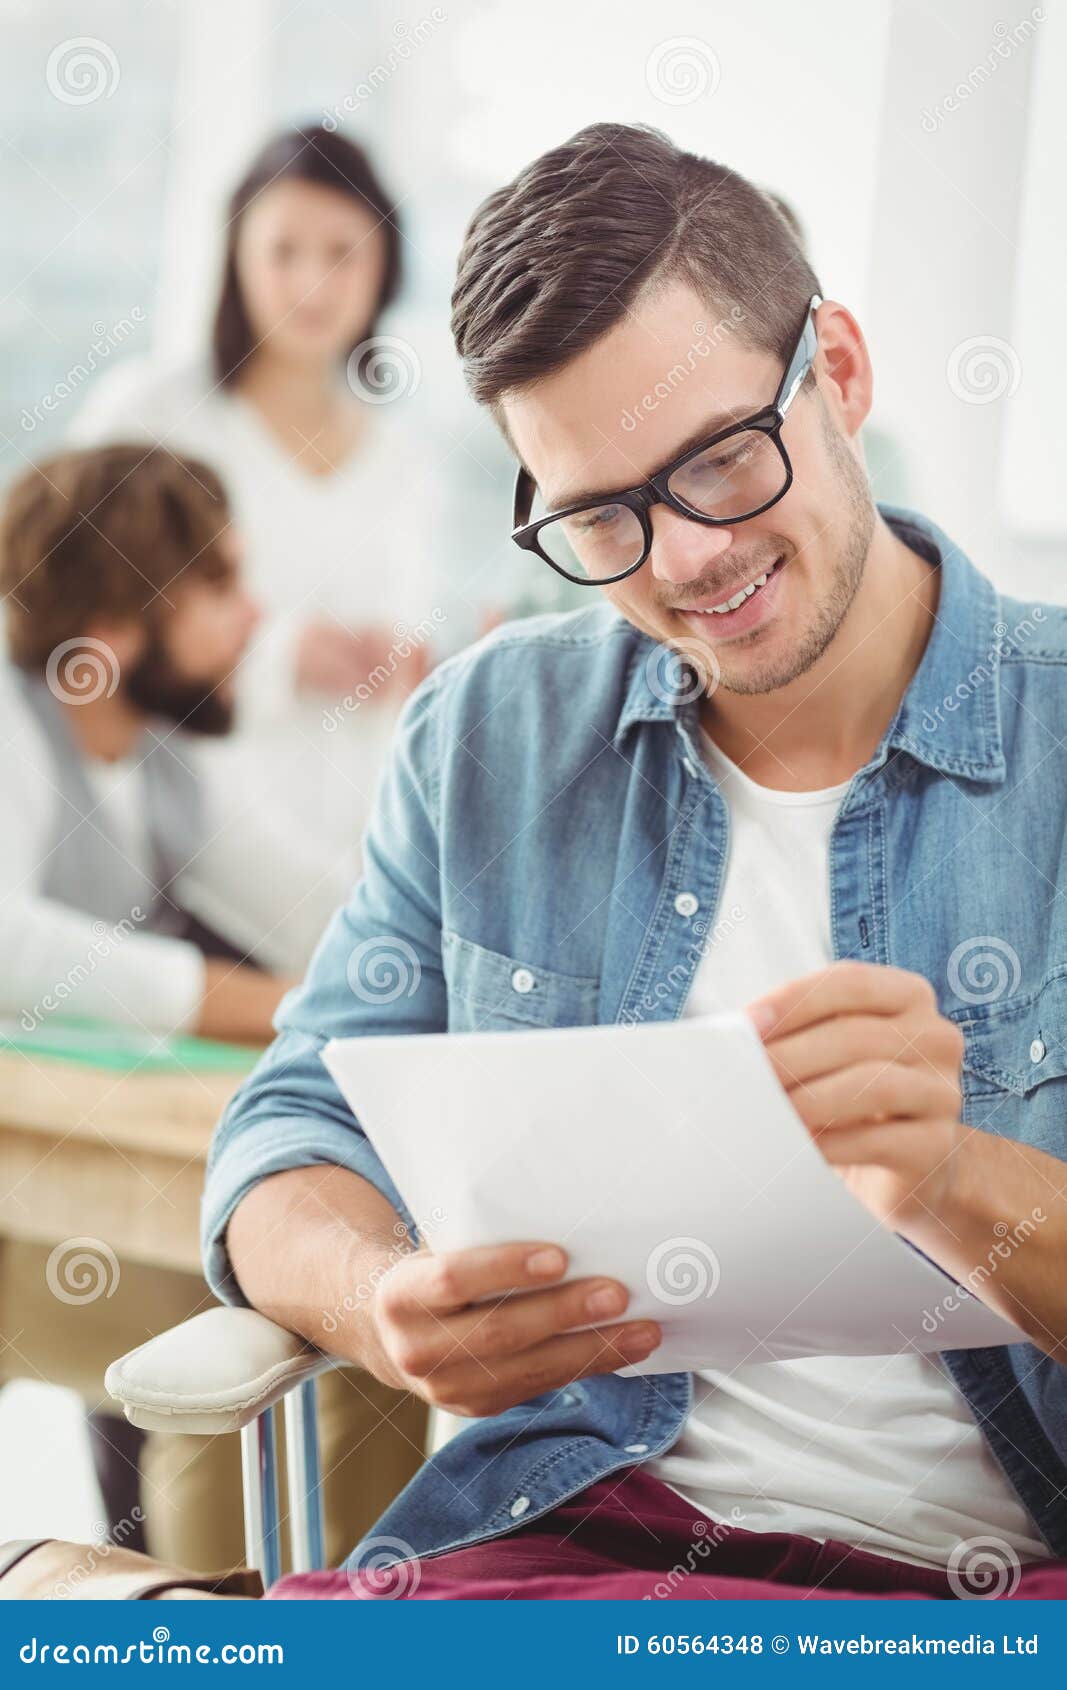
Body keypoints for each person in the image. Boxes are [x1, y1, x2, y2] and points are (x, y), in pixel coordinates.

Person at [201, 124, 1067, 1600]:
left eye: (720, 460)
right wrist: (375, 1297)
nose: (678, 563)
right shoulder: (489, 732)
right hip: (556, 1553)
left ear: (838, 373)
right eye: (599, 514)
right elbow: (291, 1127)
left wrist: (945, 1180)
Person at [0, 443, 425, 1570]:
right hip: (22, 1197)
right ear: (122, 626)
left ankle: (336, 1623)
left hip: (86, 1176)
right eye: (221, 587)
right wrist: (263, 1000)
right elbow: (9, 946)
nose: (254, 619)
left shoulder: (158, 759)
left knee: (346, 1333)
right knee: (238, 1327)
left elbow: (317, 905)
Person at [71, 126, 437, 858]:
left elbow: (408, 637)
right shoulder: (148, 414)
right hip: (173, 842)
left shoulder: (406, 459)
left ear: (384, 266)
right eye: (283, 251)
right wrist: (280, 658)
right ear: (237, 256)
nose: (312, 284)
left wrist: (409, 668)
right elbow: (73, 616)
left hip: (352, 851)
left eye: (342, 253)